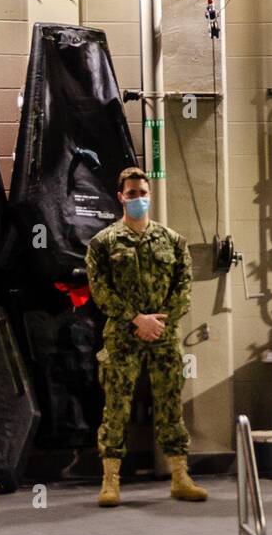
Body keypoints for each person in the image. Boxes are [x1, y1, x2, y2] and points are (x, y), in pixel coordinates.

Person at [86, 166, 206, 506]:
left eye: (143, 193)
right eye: (132, 193)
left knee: (170, 405)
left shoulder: (173, 241)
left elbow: (184, 288)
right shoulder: (104, 243)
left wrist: (160, 323)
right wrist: (136, 319)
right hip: (122, 337)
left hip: (165, 336)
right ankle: (110, 480)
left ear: (149, 195)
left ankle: (180, 477)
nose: (138, 199)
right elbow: (100, 290)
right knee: (116, 408)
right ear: (120, 197)